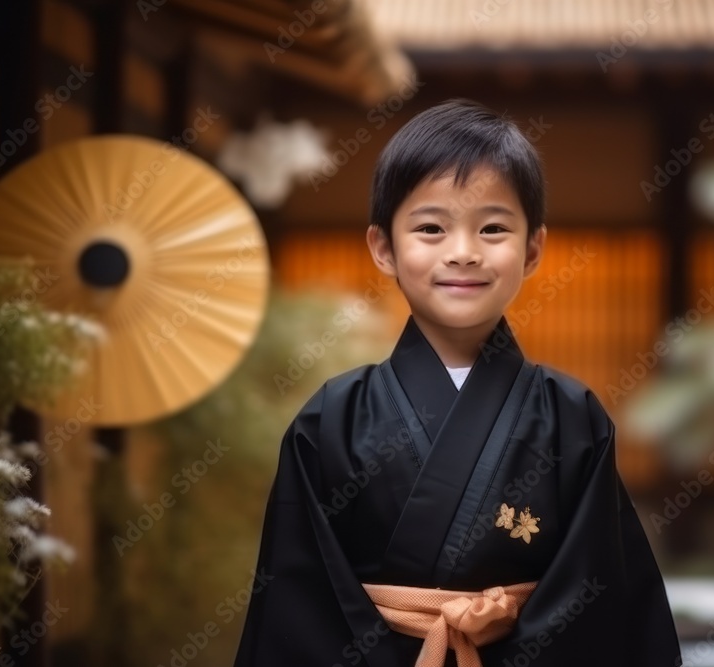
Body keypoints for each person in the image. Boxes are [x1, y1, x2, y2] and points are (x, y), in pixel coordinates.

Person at [233, 99, 682, 666]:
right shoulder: (331, 419)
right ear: (384, 248)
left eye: (493, 228)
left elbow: (597, 598)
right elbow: (298, 606)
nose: (464, 252)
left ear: (534, 248)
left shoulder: (572, 416)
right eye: (430, 228)